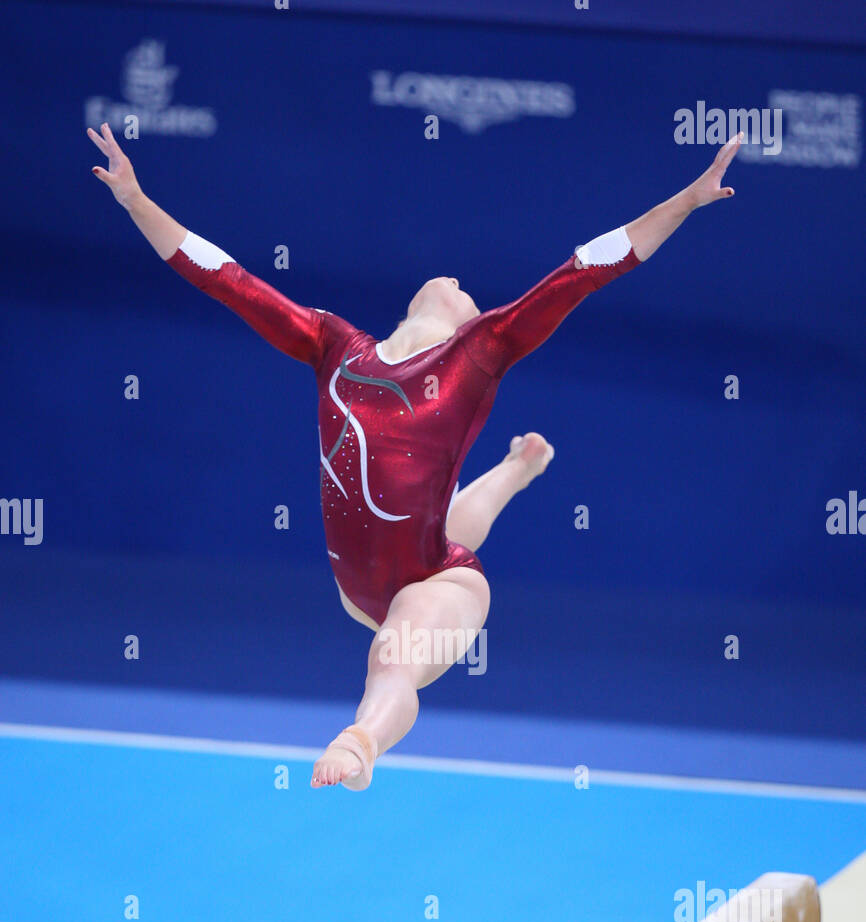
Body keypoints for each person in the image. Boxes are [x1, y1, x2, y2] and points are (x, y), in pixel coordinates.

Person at [88, 123, 742, 790]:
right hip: (364, 585)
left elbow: (587, 270)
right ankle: (517, 470)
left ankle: (360, 739)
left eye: (468, 291)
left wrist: (684, 203)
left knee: (395, 653)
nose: (458, 280)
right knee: (440, 528)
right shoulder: (334, 346)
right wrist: (138, 201)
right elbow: (226, 278)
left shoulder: (479, 351)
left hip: (439, 585)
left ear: (466, 319)